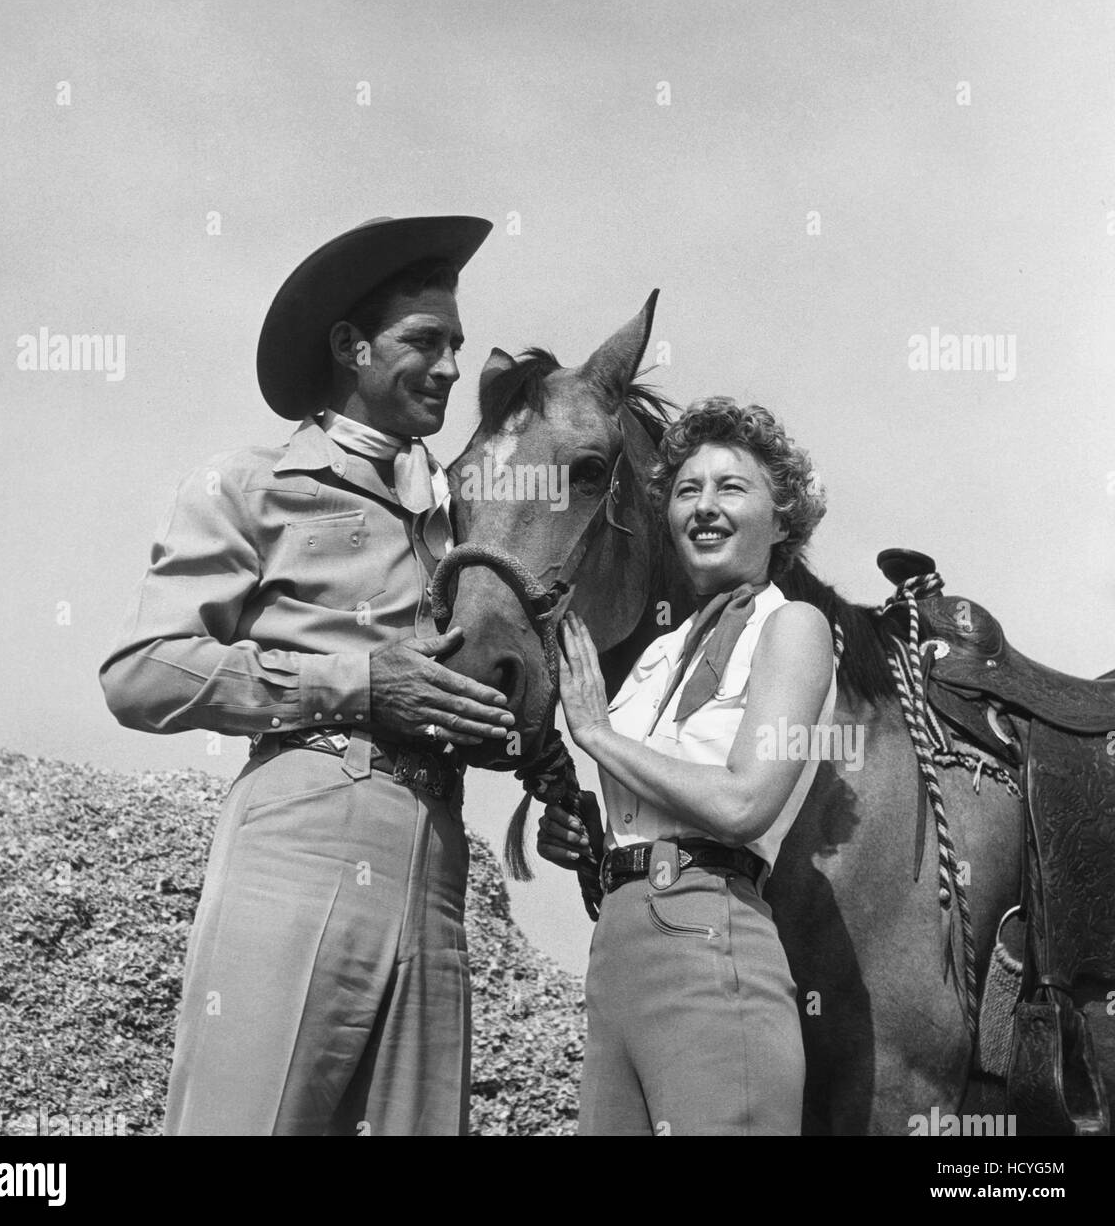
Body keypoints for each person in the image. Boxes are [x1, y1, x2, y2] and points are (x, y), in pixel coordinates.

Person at [100, 214, 517, 1136]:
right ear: (350, 346)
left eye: (456, 344)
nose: (449, 367)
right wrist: (357, 684)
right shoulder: (251, 483)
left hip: (440, 861)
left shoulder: (466, 515)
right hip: (302, 827)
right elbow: (140, 672)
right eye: (423, 342)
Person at [537, 396, 835, 1136]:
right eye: (685, 490)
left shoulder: (793, 628)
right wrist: (588, 835)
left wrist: (601, 739)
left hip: (709, 931)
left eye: (732, 487)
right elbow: (642, 802)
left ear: (783, 517)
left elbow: (742, 804)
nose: (703, 506)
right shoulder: (654, 660)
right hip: (616, 946)